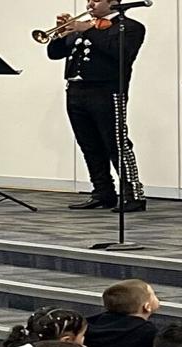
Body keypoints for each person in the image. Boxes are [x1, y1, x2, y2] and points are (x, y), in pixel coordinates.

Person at [48, 0, 146, 212]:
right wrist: (60, 33)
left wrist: (90, 30)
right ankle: (102, 192)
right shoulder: (83, 26)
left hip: (107, 91)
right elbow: (54, 54)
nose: (90, 3)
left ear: (113, 3)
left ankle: (134, 195)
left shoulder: (129, 27)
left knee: (117, 143)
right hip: (76, 90)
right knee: (89, 145)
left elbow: (120, 53)